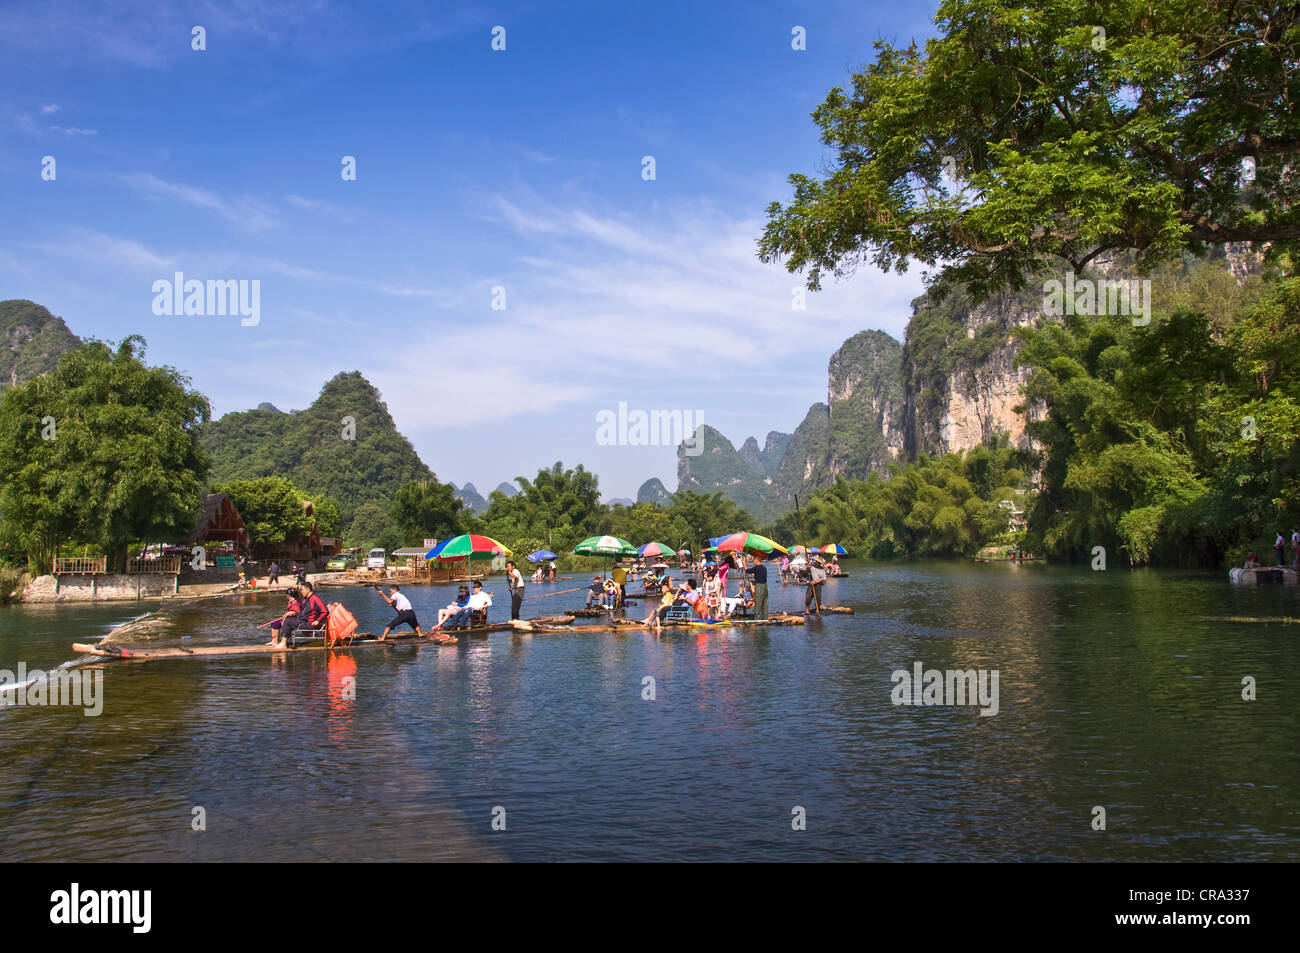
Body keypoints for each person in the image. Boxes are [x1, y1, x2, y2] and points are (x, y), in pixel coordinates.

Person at [281, 581, 327, 647]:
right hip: (303, 621)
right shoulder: (306, 599)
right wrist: (293, 613)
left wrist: (318, 620)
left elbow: (324, 611)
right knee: (288, 619)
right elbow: (302, 614)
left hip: (309, 624)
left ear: (308, 589)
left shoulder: (315, 598)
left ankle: (283, 643)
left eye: (302, 590)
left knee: (288, 621)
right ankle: (284, 642)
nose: (301, 592)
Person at [746, 555, 769, 620]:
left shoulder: (757, 567)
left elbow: (747, 571)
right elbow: (760, 576)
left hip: (759, 586)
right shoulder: (764, 567)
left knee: (758, 602)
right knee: (765, 602)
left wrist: (744, 565)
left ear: (756, 561)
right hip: (765, 586)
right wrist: (755, 575)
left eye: (754, 561)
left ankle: (758, 618)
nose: (753, 562)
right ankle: (765, 617)